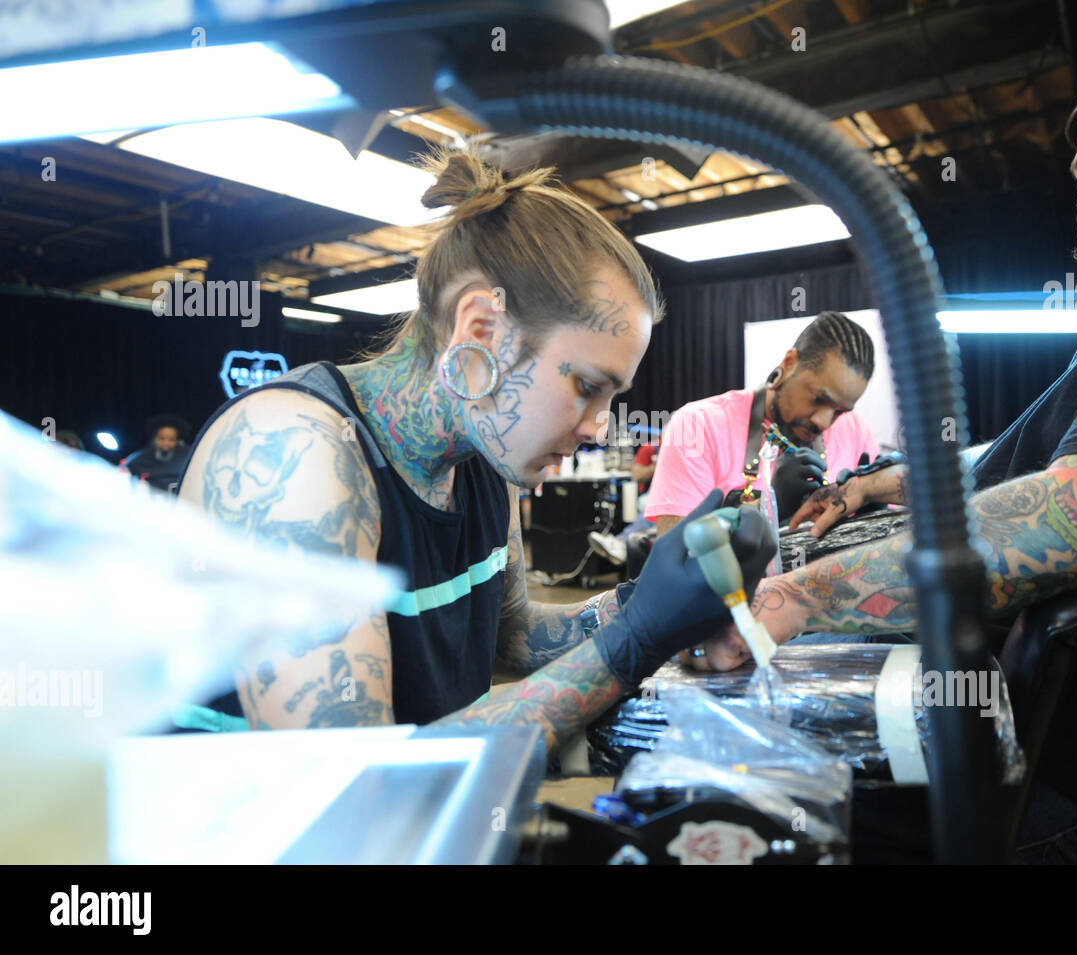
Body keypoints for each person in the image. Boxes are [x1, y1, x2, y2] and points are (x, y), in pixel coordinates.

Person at [691, 55, 1077, 862]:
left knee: (716, 781)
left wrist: (796, 597)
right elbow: (1011, 466)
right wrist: (877, 484)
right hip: (1033, 724)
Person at [176, 151, 774, 750]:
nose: (599, 427)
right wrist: (634, 642)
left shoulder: (483, 457)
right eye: (588, 387)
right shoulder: (298, 453)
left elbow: (510, 637)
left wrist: (654, 605)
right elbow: (351, 783)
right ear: (482, 331)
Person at [643, 310, 884, 536]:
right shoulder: (696, 426)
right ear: (789, 364)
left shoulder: (857, 433)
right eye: (817, 399)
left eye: (839, 411)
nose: (823, 421)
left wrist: (872, 514)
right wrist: (768, 506)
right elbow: (676, 556)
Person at [588, 441, 657, 565]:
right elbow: (637, 474)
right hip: (651, 497)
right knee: (653, 505)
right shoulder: (651, 449)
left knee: (658, 506)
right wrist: (657, 465)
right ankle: (622, 543)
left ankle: (621, 543)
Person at [121, 413, 191, 493]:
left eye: (171, 439)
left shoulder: (186, 455)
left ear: (177, 440)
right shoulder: (142, 457)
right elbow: (125, 470)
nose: (166, 443)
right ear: (154, 438)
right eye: (162, 438)